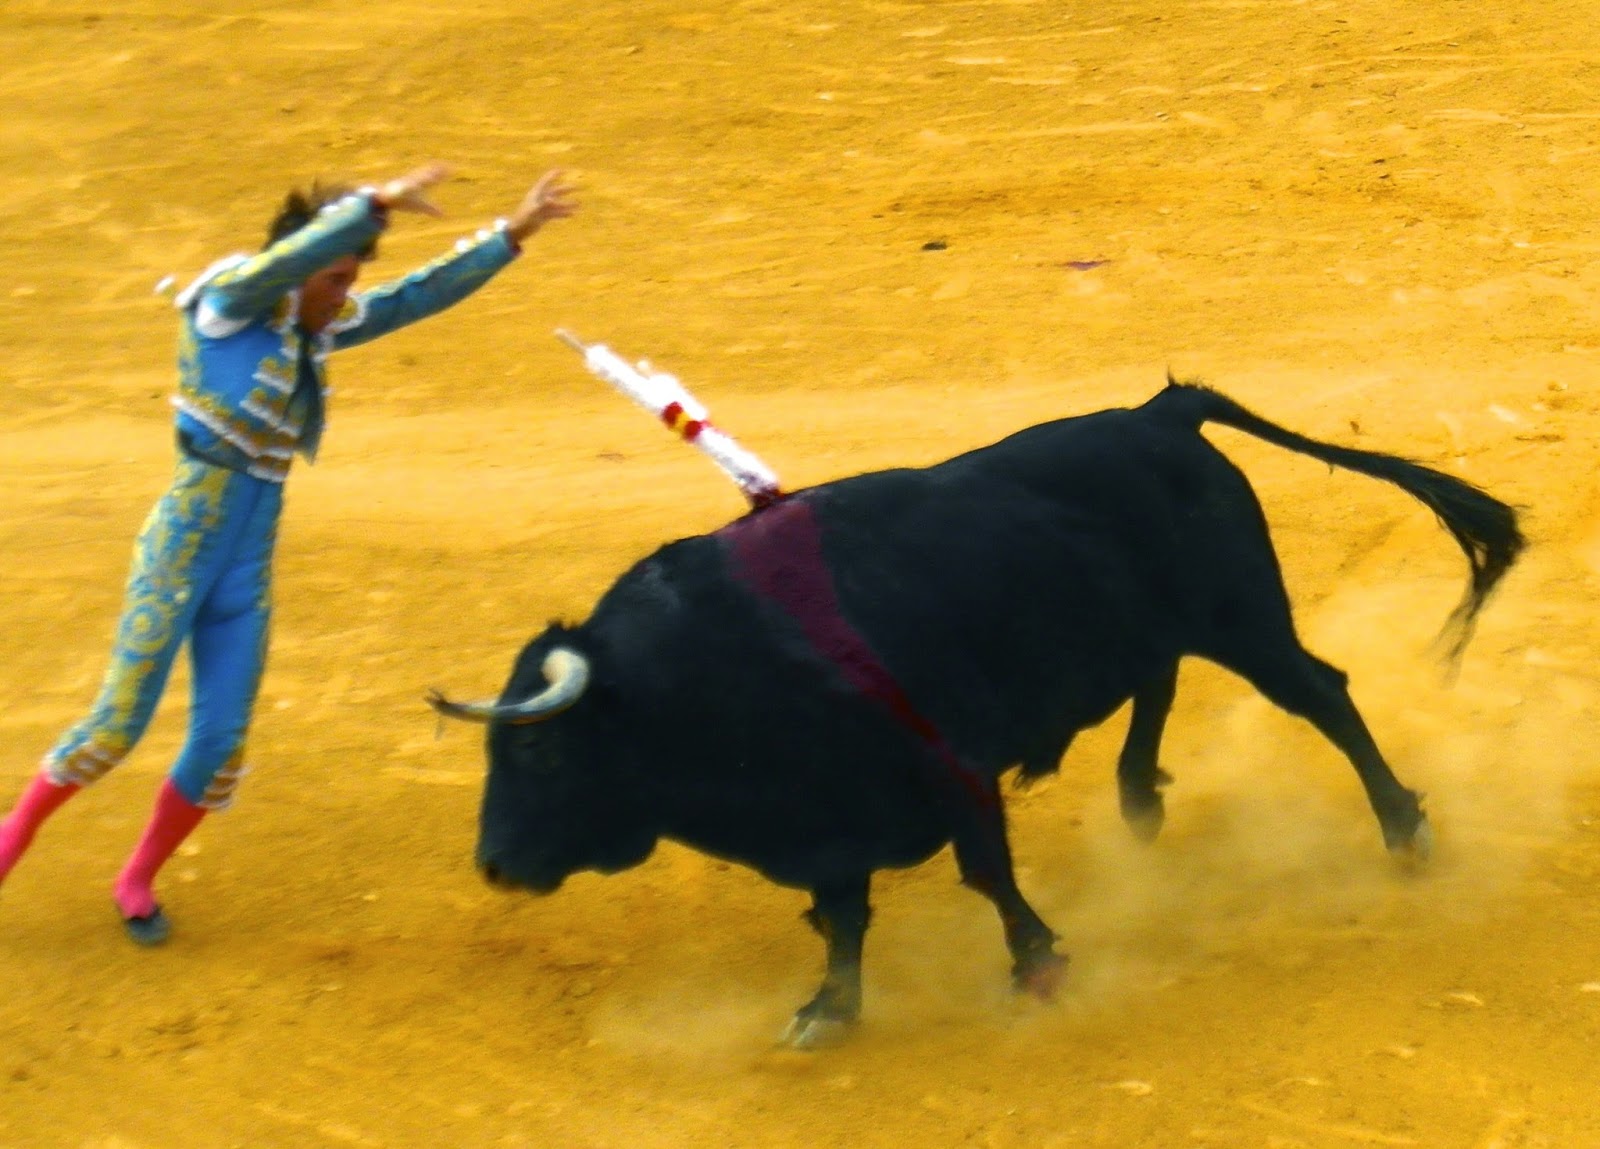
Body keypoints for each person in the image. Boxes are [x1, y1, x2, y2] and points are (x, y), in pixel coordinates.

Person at [0, 161, 577, 944]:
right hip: (182, 550)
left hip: (244, 564)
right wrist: (371, 205)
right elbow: (283, 266)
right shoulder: (229, 305)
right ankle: (8, 845)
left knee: (220, 743)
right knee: (117, 723)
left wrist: (514, 232)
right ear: (306, 263)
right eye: (335, 277)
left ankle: (136, 876)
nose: (344, 294)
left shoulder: (313, 326)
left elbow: (414, 297)